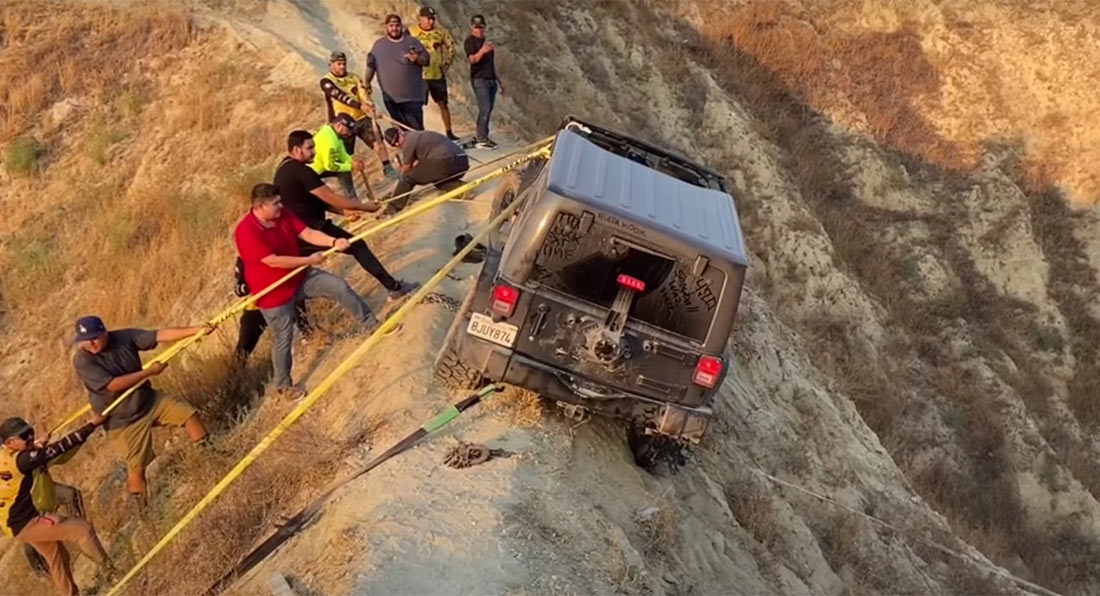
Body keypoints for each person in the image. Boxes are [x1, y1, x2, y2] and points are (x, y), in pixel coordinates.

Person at [234, 183, 385, 400]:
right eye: (275, 203)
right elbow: (273, 262)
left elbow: (308, 233)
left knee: (339, 287)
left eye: (280, 201)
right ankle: (284, 387)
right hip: (273, 294)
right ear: (260, 206)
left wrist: (334, 241)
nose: (281, 206)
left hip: (301, 277)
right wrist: (308, 259)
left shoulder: (284, 214)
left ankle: (371, 325)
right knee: (283, 338)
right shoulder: (246, 231)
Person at [71, 315, 210, 502]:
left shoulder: (124, 337)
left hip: (148, 401)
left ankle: (210, 456)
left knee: (189, 415)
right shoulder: (82, 360)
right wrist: (149, 372)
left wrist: (198, 329)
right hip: (122, 419)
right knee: (137, 467)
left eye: (94, 338)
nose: (90, 344)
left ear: (105, 333)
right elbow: (112, 385)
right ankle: (143, 510)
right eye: (84, 341)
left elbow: (159, 335)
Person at [274, 130, 416, 301]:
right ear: (297, 150)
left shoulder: (284, 168)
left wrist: (342, 212)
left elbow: (310, 201)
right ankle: (394, 288)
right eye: (310, 148)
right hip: (310, 231)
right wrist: (363, 207)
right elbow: (330, 197)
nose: (314, 151)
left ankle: (301, 325)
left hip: (295, 232)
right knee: (358, 246)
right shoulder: (301, 172)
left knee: (295, 278)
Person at [1, 416, 111, 596]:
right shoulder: (21, 461)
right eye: (23, 436)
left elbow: (31, 457)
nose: (29, 437)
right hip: (28, 523)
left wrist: (35, 447)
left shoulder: (5, 456)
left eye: (30, 432)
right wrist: (91, 426)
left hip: (16, 523)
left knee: (58, 558)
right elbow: (59, 448)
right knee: (82, 530)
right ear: (10, 442)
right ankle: (112, 574)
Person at [320, 50, 398, 180]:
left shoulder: (354, 77)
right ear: (331, 64)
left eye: (344, 64)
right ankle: (350, 192)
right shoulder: (326, 81)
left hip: (360, 118)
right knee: (345, 158)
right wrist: (359, 105)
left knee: (377, 139)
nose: (342, 67)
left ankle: (388, 168)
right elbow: (340, 96)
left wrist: (369, 104)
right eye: (339, 64)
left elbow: (363, 94)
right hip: (341, 124)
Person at [382, 127, 469, 214]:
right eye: (394, 144)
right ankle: (461, 188)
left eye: (397, 140)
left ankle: (392, 208)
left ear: (400, 132)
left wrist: (397, 191)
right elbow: (418, 166)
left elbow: (406, 170)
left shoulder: (408, 141)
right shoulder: (417, 136)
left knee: (408, 178)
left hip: (445, 161)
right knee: (436, 180)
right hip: (461, 161)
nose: (398, 144)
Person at [365, 14, 430, 131]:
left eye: (397, 25)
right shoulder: (378, 45)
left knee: (417, 131)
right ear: (386, 27)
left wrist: (417, 59)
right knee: (401, 132)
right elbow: (371, 65)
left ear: (401, 26)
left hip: (412, 97)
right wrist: (367, 83)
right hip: (391, 99)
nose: (394, 28)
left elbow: (427, 61)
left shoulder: (412, 42)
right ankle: (408, 150)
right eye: (391, 26)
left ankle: (422, 149)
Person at [408, 6, 459, 141]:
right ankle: (420, 133)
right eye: (428, 19)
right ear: (421, 18)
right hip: (419, 76)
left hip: (437, 74)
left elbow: (451, 46)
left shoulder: (440, 33)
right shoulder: (411, 32)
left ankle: (449, 132)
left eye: (433, 19)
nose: (431, 22)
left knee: (443, 104)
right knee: (418, 106)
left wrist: (447, 64)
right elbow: (403, 48)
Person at [464, 14, 502, 149]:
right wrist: (483, 51)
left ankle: (484, 135)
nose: (478, 29)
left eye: (481, 27)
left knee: (489, 109)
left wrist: (499, 80)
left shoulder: (486, 41)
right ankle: (481, 137)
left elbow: (490, 64)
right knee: (484, 108)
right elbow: (472, 60)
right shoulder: (470, 41)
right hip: (479, 80)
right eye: (476, 27)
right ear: (471, 27)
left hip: (491, 79)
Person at [310, 114, 366, 200]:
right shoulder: (331, 141)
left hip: (321, 166)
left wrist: (352, 162)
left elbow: (342, 153)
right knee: (344, 169)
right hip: (312, 171)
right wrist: (350, 166)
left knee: (345, 168)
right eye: (347, 130)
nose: (349, 134)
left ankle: (352, 199)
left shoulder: (332, 132)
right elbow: (330, 166)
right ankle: (352, 202)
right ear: (339, 125)